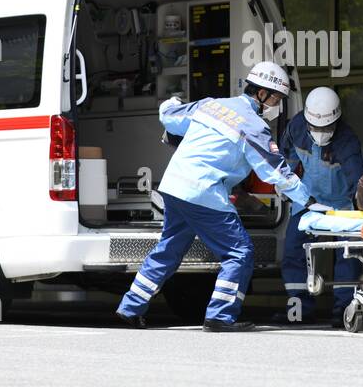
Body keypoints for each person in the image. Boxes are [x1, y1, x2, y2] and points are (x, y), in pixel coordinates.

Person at [116, 61, 328, 332]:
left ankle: (131, 307)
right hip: (203, 192)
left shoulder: (210, 105)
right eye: (276, 98)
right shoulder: (253, 125)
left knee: (169, 248)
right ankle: (220, 315)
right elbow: (277, 171)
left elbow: (169, 117)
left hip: (174, 186)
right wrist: (307, 201)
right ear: (261, 94)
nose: (278, 105)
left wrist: (170, 100)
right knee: (239, 252)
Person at [273, 86, 363, 325]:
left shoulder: (347, 141)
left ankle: (343, 310)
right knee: (294, 251)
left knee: (347, 254)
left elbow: (357, 180)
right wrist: (284, 182)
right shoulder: (296, 127)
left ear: (336, 121)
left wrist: (362, 211)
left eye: (326, 128)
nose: (320, 133)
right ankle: (299, 308)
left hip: (343, 205)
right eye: (315, 127)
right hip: (308, 200)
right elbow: (287, 159)